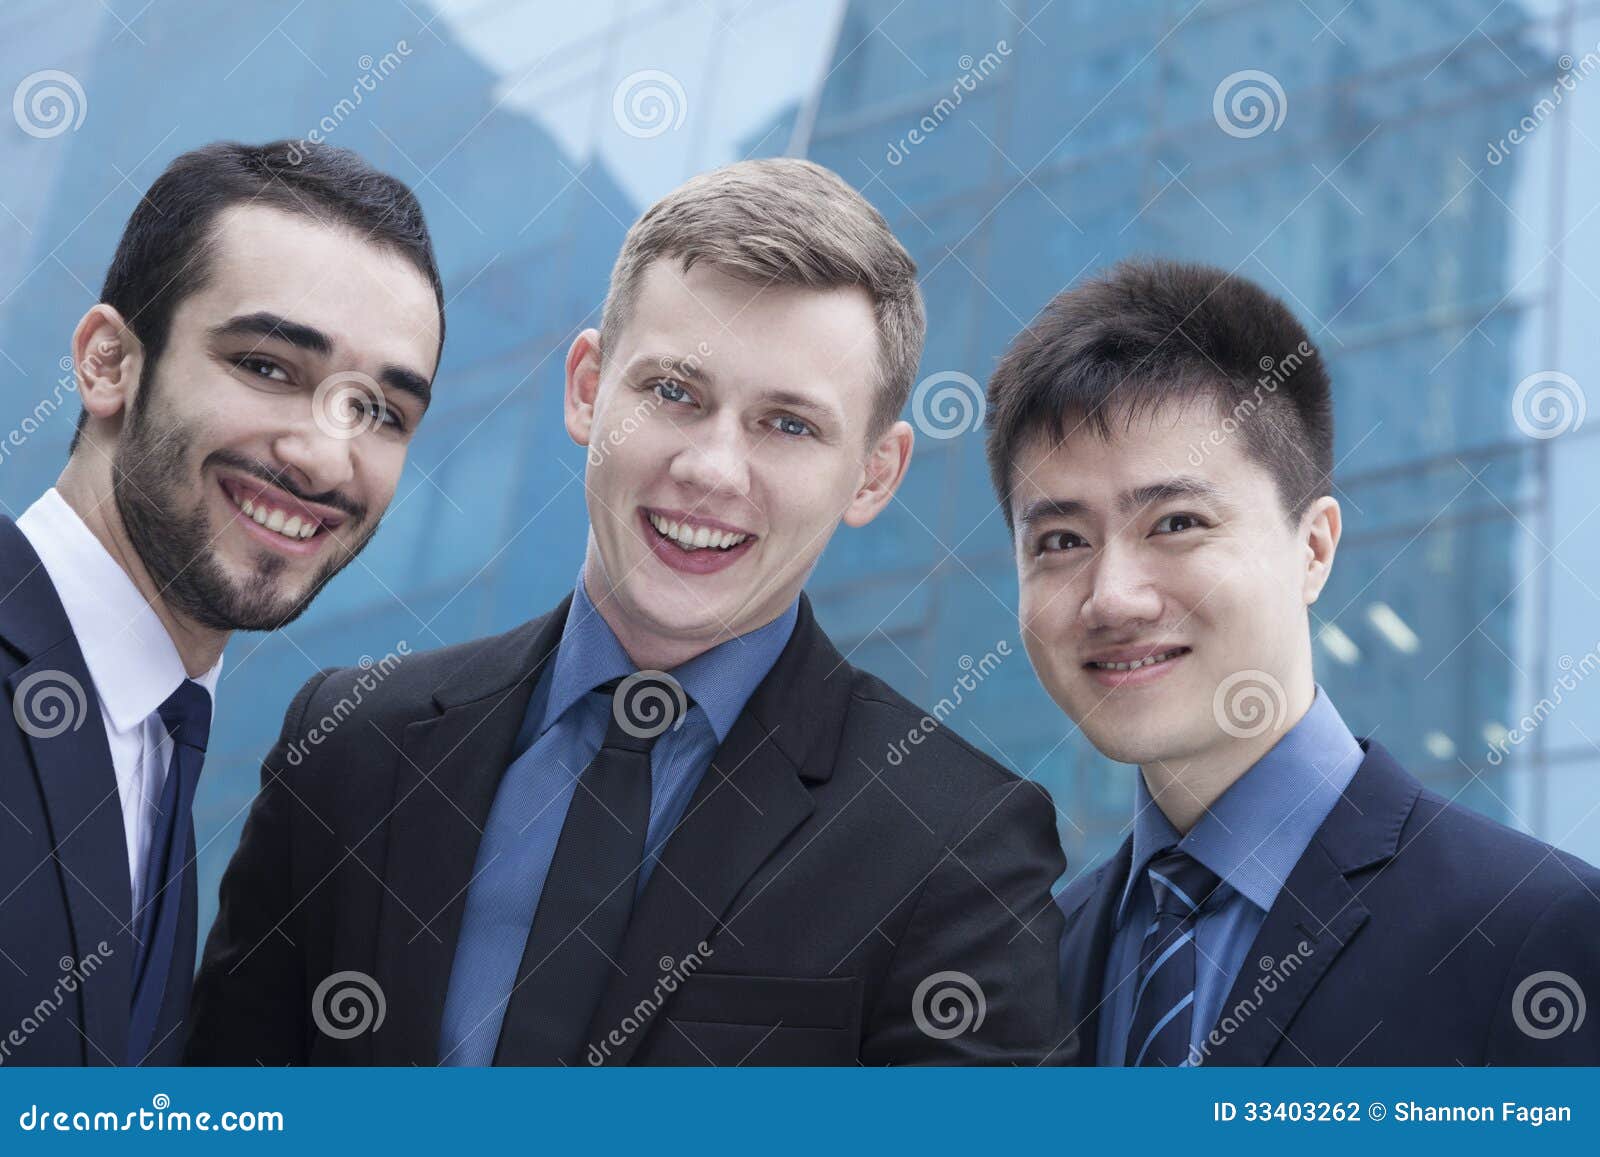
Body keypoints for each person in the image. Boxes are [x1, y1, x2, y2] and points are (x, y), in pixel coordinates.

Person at [185, 158, 1067, 1066]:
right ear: (586, 387)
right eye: (674, 393)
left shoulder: (958, 845)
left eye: (789, 424)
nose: (712, 470)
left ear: (876, 473)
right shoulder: (350, 746)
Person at [985, 257, 1600, 1066]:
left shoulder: (1539, 930)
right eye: (1062, 541)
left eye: (1175, 522)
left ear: (1313, 547)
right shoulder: (1029, 968)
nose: (1113, 598)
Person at [0, 140, 444, 1066]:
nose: (325, 457)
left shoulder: (166, 752)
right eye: (269, 366)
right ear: (109, 362)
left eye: (379, 412)